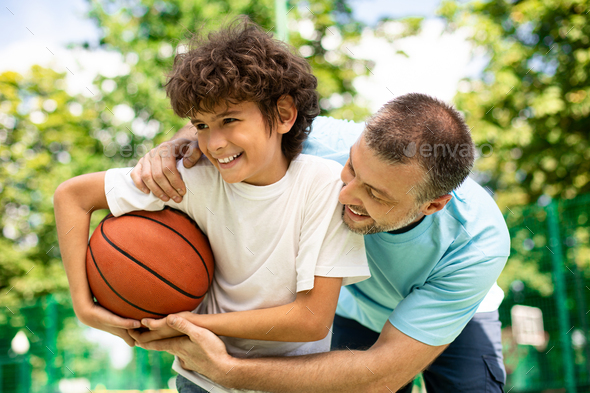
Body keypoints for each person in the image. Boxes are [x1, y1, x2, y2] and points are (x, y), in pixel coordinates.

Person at [53, 18, 370, 393]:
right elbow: (71, 196)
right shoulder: (190, 180)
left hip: (290, 383)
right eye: (201, 125)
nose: (214, 143)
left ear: (284, 114)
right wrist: (84, 306)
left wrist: (189, 324)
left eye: (229, 120)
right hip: (200, 382)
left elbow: (311, 319)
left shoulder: (323, 185)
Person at [131, 93, 510, 392]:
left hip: (458, 320)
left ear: (433, 204)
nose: (345, 194)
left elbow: (381, 376)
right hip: (352, 310)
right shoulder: (320, 143)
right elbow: (224, 128)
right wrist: (174, 145)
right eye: (352, 169)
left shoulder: (477, 243)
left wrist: (230, 371)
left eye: (376, 194)